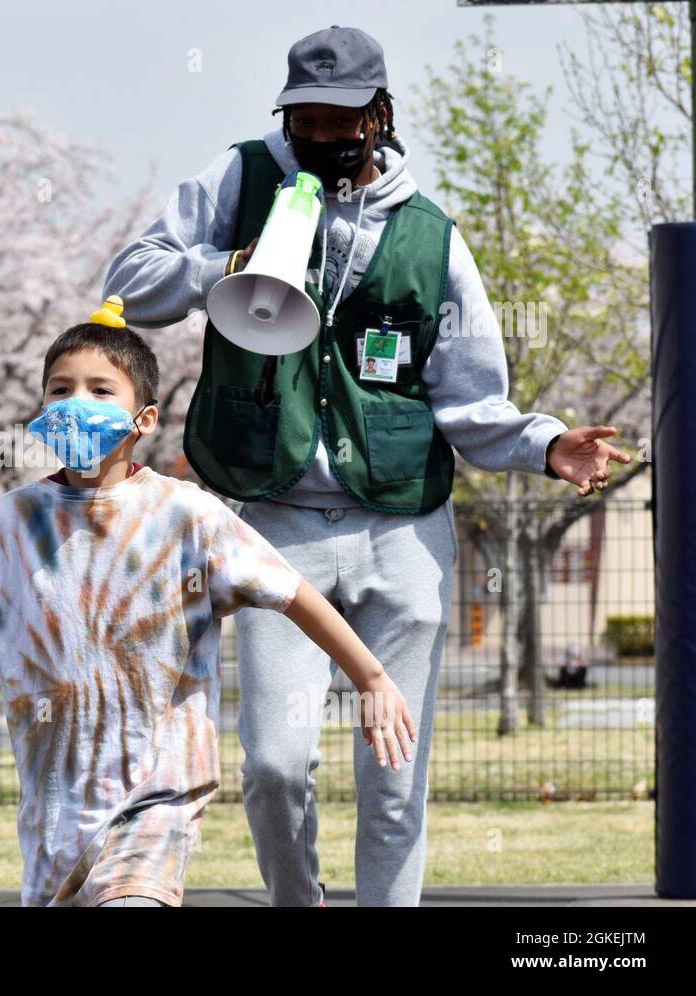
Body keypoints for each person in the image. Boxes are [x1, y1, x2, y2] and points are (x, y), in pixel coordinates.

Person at [102, 24, 631, 906]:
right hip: (275, 526)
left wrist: (546, 445)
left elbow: (470, 403)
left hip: (400, 526)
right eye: (301, 121)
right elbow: (129, 284)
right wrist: (229, 265)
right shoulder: (240, 176)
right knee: (274, 765)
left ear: (380, 115)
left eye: (337, 121)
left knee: (394, 779)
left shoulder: (432, 237)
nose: (319, 138)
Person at [0, 295, 419, 907]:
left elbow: (293, 593)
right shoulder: (5, 527)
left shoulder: (188, 517)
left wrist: (369, 675)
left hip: (160, 797)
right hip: (54, 816)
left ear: (143, 419)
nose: (76, 404)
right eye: (60, 390)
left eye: (100, 390)